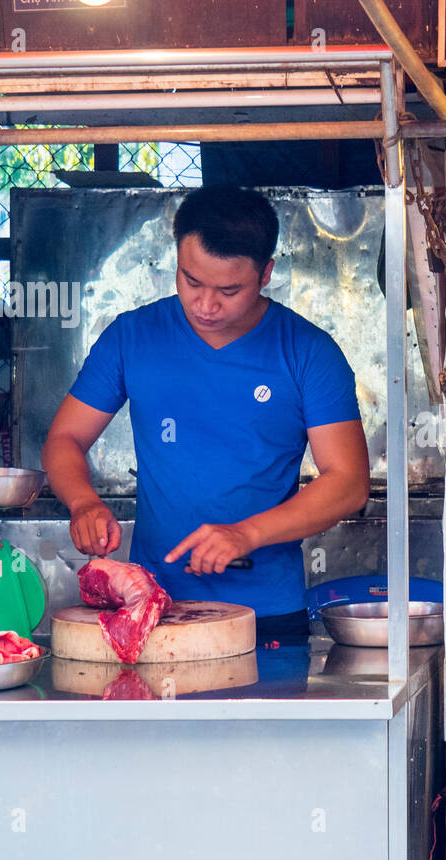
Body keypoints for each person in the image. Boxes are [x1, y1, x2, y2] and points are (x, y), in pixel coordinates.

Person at [42, 186, 371, 643]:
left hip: (266, 613)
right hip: (152, 608)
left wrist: (246, 534)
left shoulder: (308, 352)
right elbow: (65, 440)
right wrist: (83, 502)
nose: (205, 305)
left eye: (228, 290)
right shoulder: (132, 337)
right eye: (191, 281)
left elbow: (348, 482)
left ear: (266, 274)